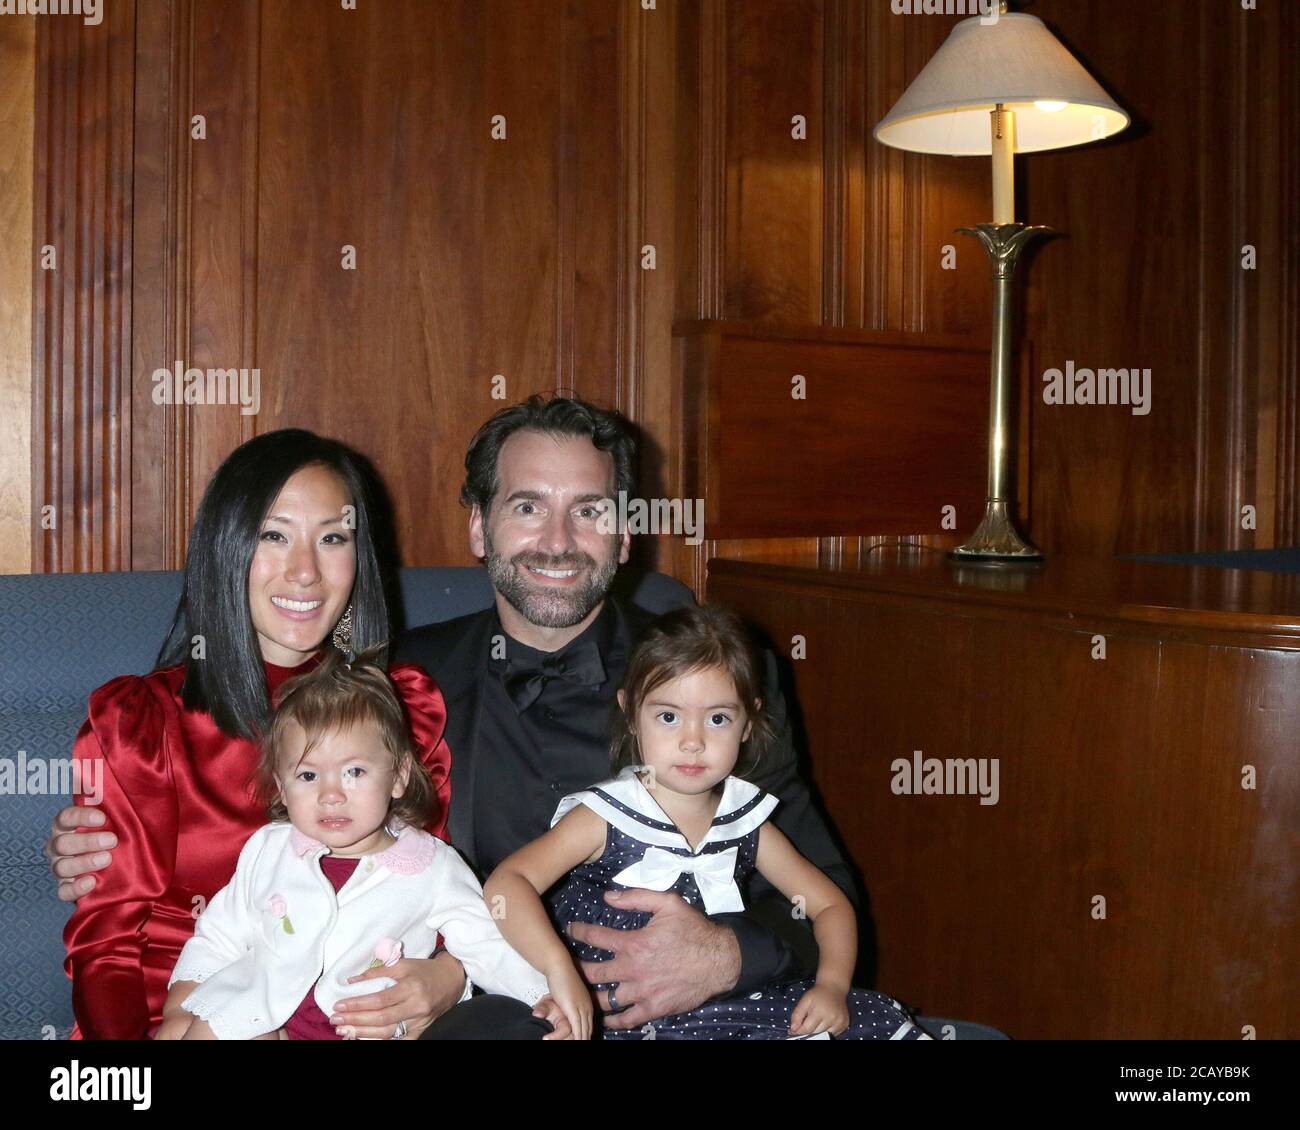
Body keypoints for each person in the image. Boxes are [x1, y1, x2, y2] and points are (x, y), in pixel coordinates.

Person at [57, 430, 469, 1040]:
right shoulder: (143, 723)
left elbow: (436, 890)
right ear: (226, 551)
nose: (304, 571)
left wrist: (450, 977)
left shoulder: (403, 706)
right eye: (272, 536)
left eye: (333, 538)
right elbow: (108, 948)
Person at [486, 603, 928, 1040]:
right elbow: (509, 882)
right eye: (668, 716)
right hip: (617, 1018)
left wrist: (832, 985)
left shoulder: (746, 823)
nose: (693, 741)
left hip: (727, 1011)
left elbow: (830, 905)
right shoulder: (604, 815)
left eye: (718, 718)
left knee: (867, 1021)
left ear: (749, 723)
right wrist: (558, 969)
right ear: (630, 712)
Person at [157, 648, 559, 1040]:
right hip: (259, 1016)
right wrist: (182, 1003)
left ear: (399, 776)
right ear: (281, 788)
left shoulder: (432, 866)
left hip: (365, 1029)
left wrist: (541, 995)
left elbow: (488, 943)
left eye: (354, 771)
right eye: (309, 776)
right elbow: (220, 934)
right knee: (212, 1029)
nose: (331, 794)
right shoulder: (269, 848)